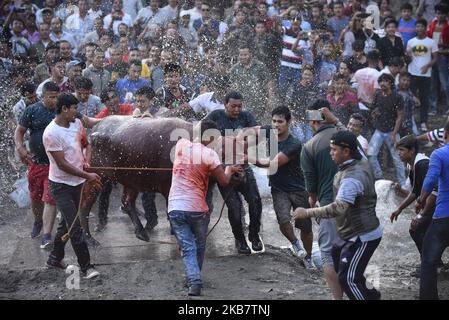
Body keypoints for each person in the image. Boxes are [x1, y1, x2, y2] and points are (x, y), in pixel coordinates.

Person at [294, 130, 383, 300]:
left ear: (346, 151)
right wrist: (335, 120)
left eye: (334, 149)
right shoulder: (360, 159)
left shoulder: (352, 178)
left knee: (347, 278)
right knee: (338, 257)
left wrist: (306, 212)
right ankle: (371, 295)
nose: (330, 153)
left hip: (362, 236)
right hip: (350, 233)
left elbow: (338, 209)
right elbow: (352, 139)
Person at [168, 119, 242, 296]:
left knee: (187, 247)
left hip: (175, 207)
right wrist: (230, 170)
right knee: (199, 246)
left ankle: (193, 279)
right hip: (197, 209)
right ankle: (195, 279)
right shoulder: (210, 155)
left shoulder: (181, 144)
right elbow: (224, 181)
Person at [244, 107, 315, 269]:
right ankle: (296, 244)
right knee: (283, 220)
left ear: (289, 122)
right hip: (278, 187)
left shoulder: (294, 144)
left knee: (305, 226)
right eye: (274, 121)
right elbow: (252, 131)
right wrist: (238, 140)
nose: (276, 125)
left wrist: (249, 158)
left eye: (280, 122)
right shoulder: (270, 131)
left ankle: (309, 257)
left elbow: (274, 164)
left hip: (298, 188)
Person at [42, 92, 101, 279]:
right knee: (75, 227)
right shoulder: (51, 133)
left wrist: (86, 161)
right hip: (61, 185)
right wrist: (88, 175)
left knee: (66, 225)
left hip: (78, 182)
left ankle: (54, 258)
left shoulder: (77, 123)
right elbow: (62, 164)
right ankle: (86, 267)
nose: (77, 111)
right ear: (64, 109)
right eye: (74, 108)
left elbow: (86, 144)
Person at [207, 91, 263, 255]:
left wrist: (247, 136)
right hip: (224, 169)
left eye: (239, 106)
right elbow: (201, 133)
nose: (236, 110)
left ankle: (254, 234)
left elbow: (258, 135)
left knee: (255, 200)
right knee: (234, 206)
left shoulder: (246, 117)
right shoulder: (215, 116)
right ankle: (240, 239)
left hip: (243, 166)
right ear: (225, 104)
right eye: (233, 106)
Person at [300, 99, 343, 300]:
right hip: (356, 205)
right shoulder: (344, 138)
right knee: (350, 251)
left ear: (313, 120)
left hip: (328, 205)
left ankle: (338, 297)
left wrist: (312, 203)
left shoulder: (309, 146)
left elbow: (311, 189)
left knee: (327, 254)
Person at [390, 135, 439, 278]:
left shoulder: (422, 164)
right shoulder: (412, 165)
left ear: (412, 151)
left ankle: (431, 264)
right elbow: (416, 191)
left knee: (417, 229)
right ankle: (433, 263)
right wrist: (399, 208)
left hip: (438, 203)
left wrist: (422, 214)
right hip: (433, 203)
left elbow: (433, 191)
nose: (399, 153)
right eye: (398, 150)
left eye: (402, 150)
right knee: (423, 230)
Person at [416, 120, 449, 299]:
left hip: (444, 217)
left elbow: (430, 181)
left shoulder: (439, 154)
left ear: (444, 135)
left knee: (428, 261)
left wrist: (421, 200)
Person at [368, 73, 406, 187]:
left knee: (398, 159)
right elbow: (373, 109)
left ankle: (403, 184)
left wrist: (394, 133)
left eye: (385, 81)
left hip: (391, 131)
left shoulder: (397, 97)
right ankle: (379, 177)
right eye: (381, 81)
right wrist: (374, 114)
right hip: (379, 130)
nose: (382, 83)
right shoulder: (378, 94)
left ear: (390, 83)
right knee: (370, 154)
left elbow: (400, 117)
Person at [407, 18, 438, 132]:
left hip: (426, 75)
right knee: (410, 98)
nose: (419, 28)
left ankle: (423, 121)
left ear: (425, 28)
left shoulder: (431, 42)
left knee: (424, 99)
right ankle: (410, 119)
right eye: (417, 26)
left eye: (421, 26)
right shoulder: (411, 42)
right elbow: (407, 58)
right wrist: (408, 54)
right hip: (412, 73)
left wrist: (427, 66)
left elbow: (435, 58)